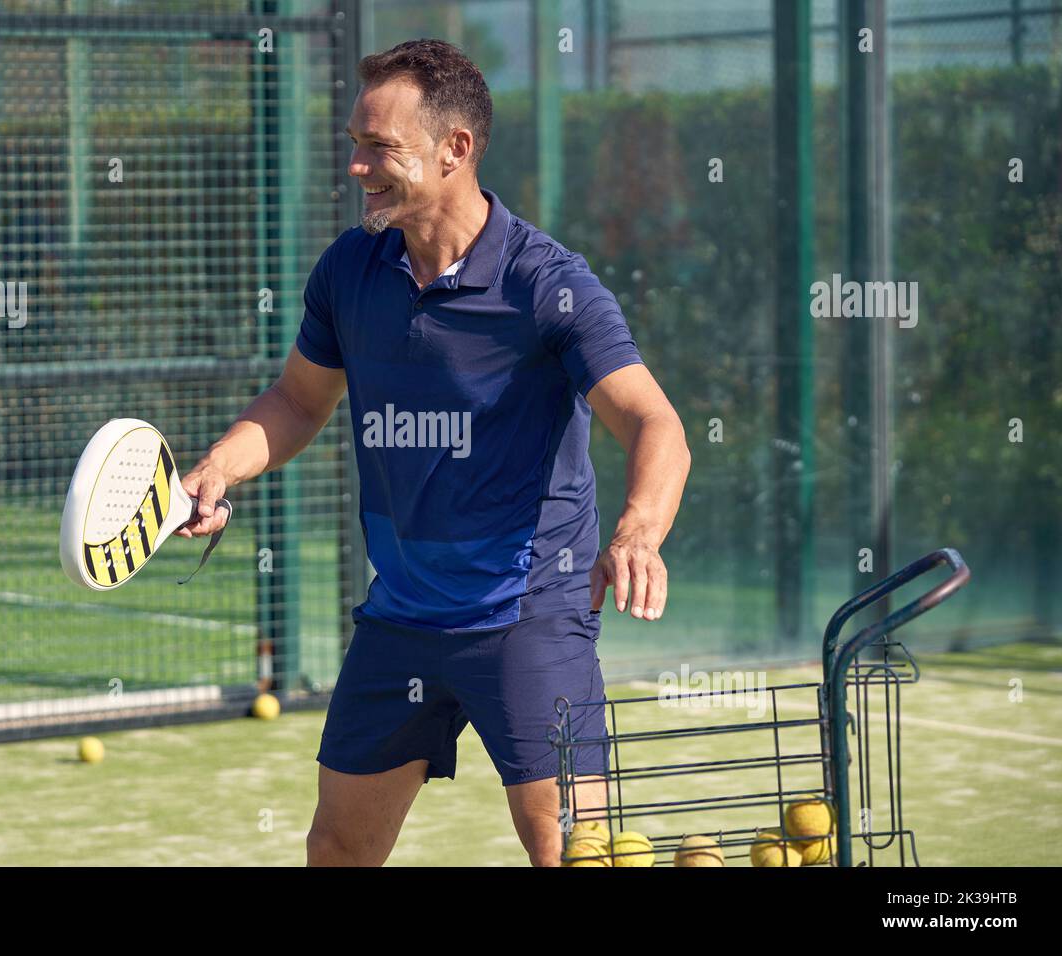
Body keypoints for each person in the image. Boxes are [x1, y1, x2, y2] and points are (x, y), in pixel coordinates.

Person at [175, 39, 691, 867]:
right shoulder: (350, 269)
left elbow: (654, 422)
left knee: (573, 852)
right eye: (354, 142)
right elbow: (299, 401)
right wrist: (217, 468)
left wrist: (637, 530)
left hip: (531, 615)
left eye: (379, 148)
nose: (355, 166)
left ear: (456, 150)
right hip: (402, 617)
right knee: (338, 848)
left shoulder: (548, 285)